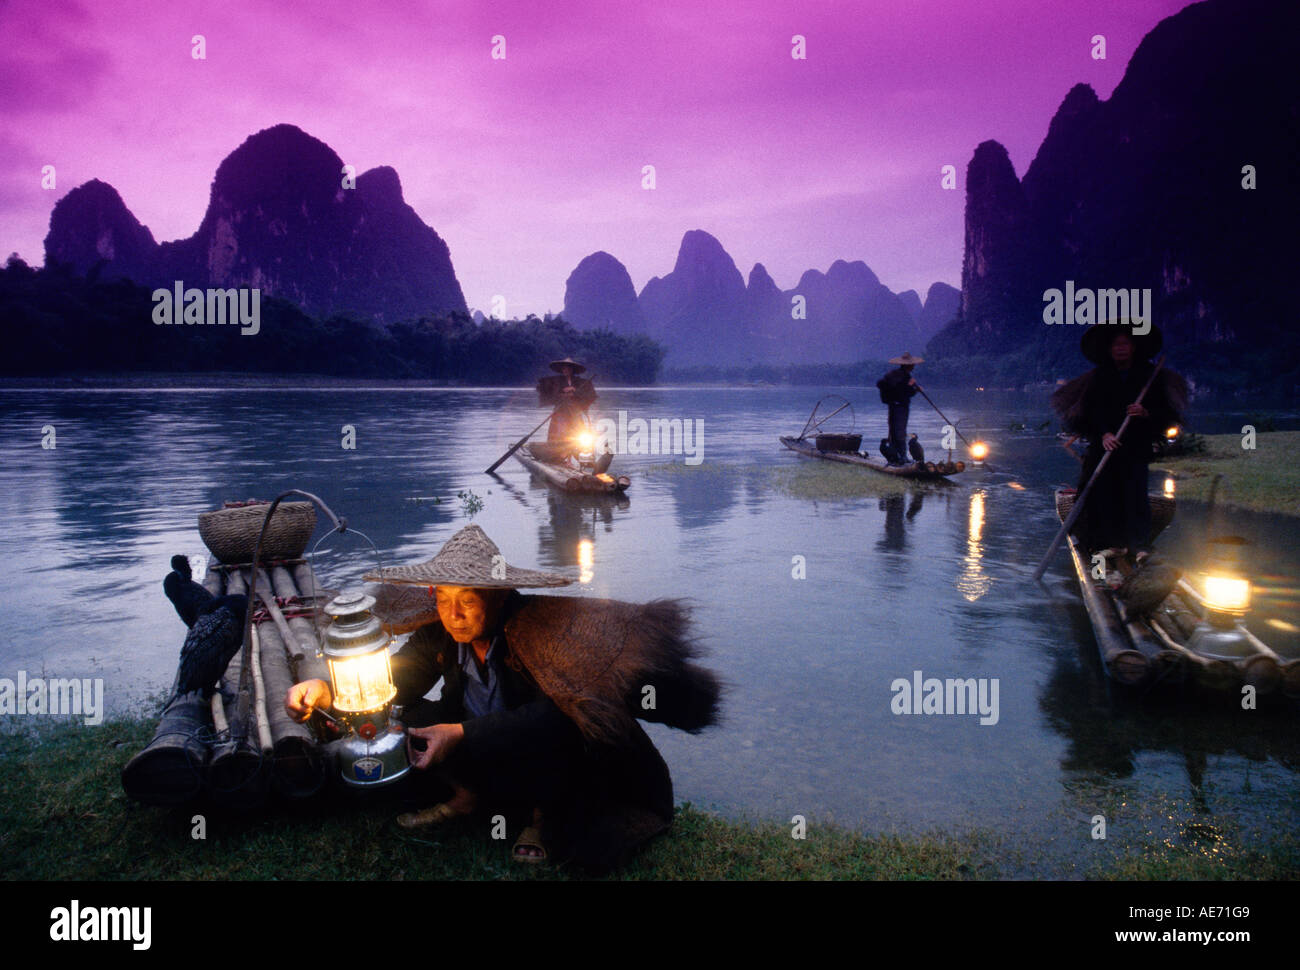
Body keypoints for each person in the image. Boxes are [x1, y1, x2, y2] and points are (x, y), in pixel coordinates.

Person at [285, 524, 719, 872]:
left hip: (546, 752)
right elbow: (400, 677)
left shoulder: (540, 634)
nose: (453, 615)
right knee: (407, 715)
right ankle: (466, 795)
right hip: (483, 746)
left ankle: (538, 818)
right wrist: (328, 686)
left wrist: (461, 733)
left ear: (496, 597)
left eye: (468, 601)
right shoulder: (441, 631)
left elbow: (556, 717)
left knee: (567, 765)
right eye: (444, 599)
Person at [1051, 323, 1186, 559]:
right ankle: (1107, 543)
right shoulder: (1098, 377)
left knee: (1135, 494)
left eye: (1125, 344)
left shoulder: (1149, 376)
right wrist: (1103, 434)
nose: (1120, 349)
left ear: (1133, 347)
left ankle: (1138, 546)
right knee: (1101, 493)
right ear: (1109, 349)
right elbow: (1087, 414)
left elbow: (1166, 414)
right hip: (1104, 446)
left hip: (1135, 445)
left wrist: (1145, 413)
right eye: (1116, 344)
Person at [536, 357, 597, 458]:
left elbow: (588, 394)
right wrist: (563, 392)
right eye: (564, 369)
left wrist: (575, 391)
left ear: (572, 370)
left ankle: (574, 458)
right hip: (560, 412)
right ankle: (559, 457)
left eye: (568, 368)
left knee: (577, 435)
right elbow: (545, 390)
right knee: (560, 435)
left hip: (574, 413)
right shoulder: (556, 381)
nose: (565, 370)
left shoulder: (579, 382)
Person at [877, 352, 923, 465]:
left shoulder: (893, 374)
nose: (913, 366)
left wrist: (911, 387)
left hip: (892, 406)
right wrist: (913, 388)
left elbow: (884, 385)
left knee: (893, 431)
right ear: (908, 365)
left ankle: (895, 457)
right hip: (901, 408)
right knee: (900, 431)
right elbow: (903, 392)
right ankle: (902, 457)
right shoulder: (905, 377)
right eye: (912, 365)